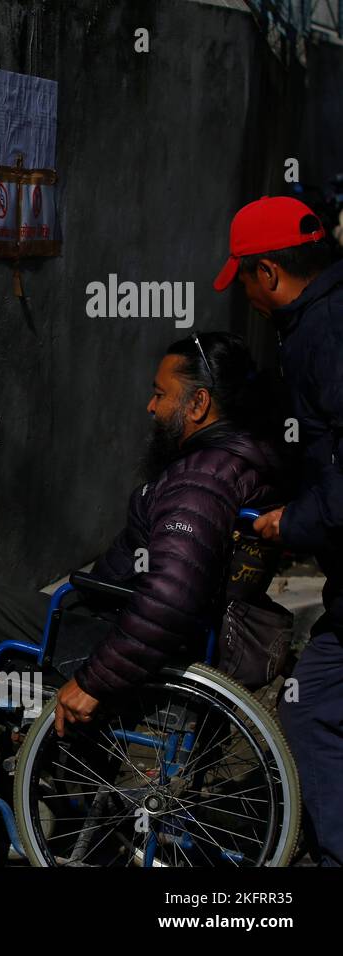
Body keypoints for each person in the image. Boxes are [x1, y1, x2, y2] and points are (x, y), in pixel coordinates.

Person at [0, 334, 284, 792]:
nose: (150, 407)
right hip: (122, 615)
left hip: (128, 631)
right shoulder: (240, 464)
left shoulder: (200, 482)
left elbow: (171, 600)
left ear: (198, 403)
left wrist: (94, 680)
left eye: (161, 395)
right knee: (12, 614)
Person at [217, 194, 343, 866]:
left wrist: (295, 519)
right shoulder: (317, 322)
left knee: (314, 705)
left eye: (242, 276)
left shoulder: (326, 333)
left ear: (268, 273)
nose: (245, 293)